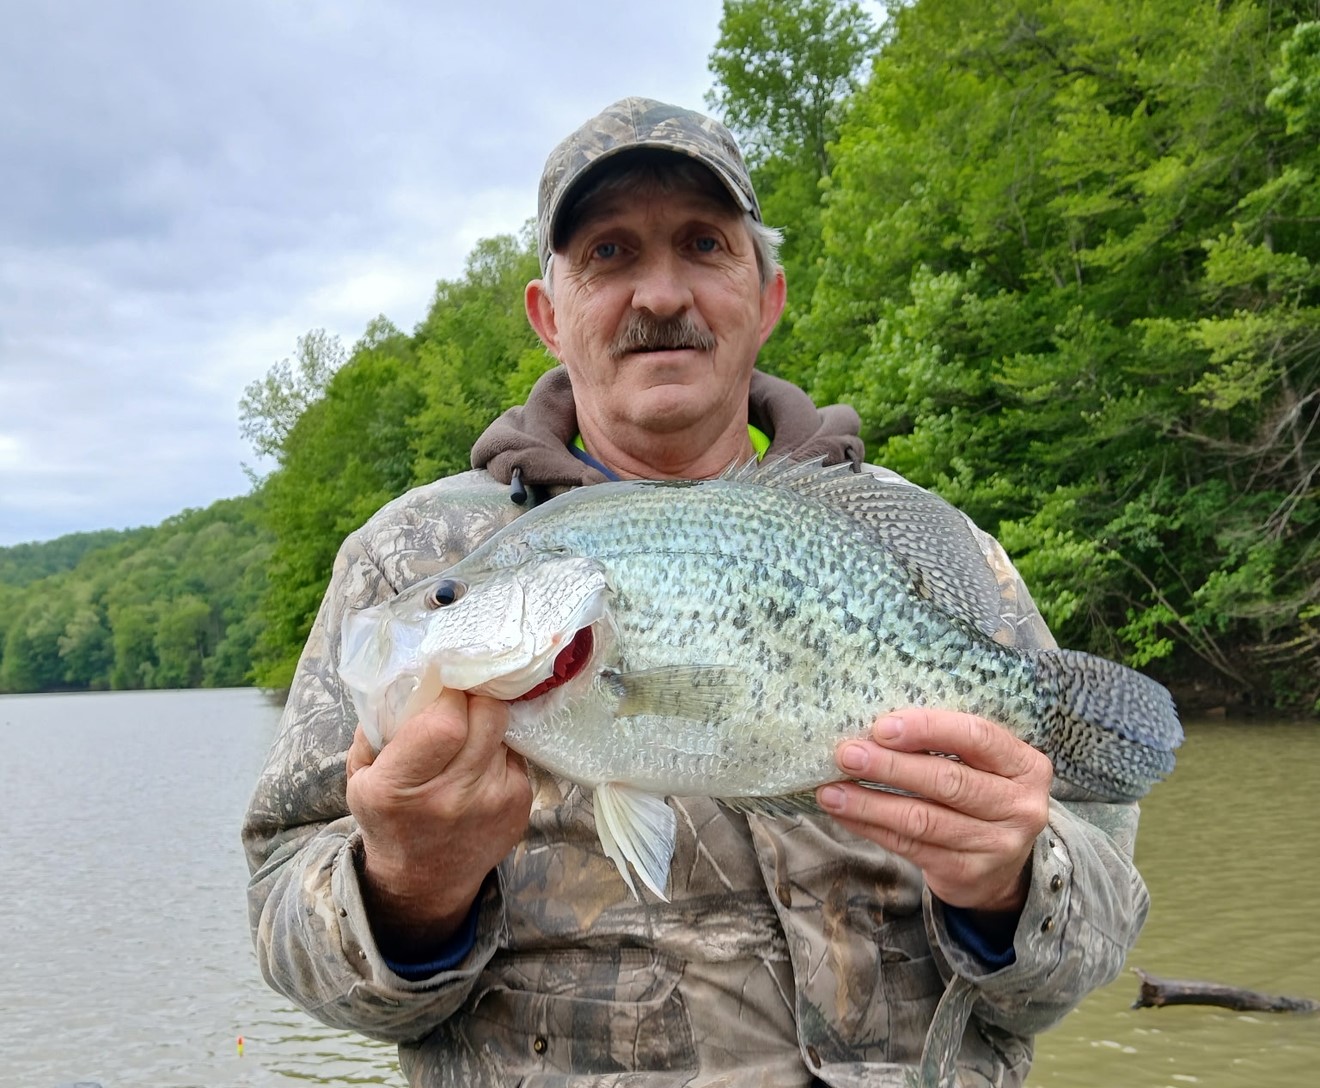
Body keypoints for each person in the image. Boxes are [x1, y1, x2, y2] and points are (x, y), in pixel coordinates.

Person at [243, 97, 1149, 1088]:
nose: (660, 292)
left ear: (766, 297)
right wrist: (406, 890)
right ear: (549, 315)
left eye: (704, 244)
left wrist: (1009, 885)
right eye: (610, 253)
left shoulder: (923, 545)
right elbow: (288, 925)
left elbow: (1096, 931)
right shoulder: (410, 558)